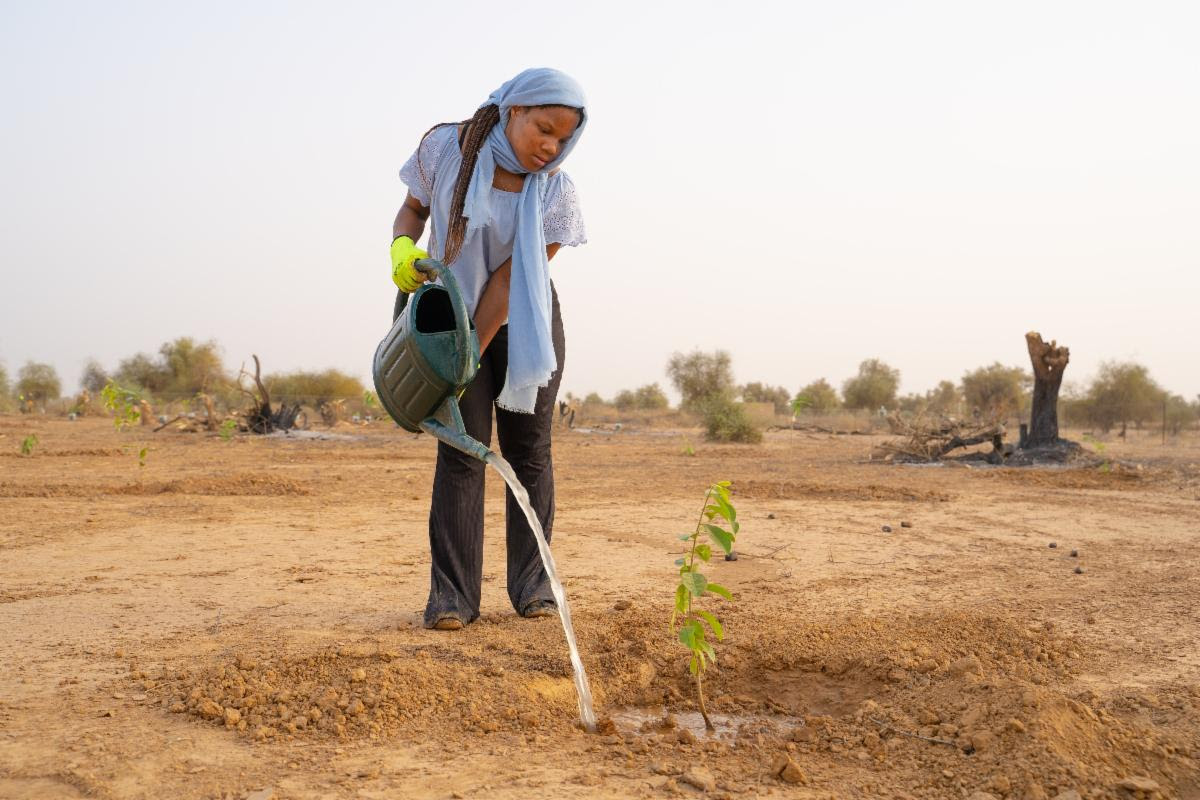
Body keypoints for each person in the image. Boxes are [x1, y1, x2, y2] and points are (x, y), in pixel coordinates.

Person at [389, 68, 587, 631]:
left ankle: (534, 588)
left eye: (563, 139)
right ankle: (451, 599)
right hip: (446, 322)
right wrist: (402, 247)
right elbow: (412, 209)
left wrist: (474, 347)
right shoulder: (446, 150)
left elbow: (506, 282)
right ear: (512, 111)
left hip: (523, 325)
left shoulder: (555, 191)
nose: (551, 147)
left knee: (529, 453)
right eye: (543, 129)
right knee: (462, 451)